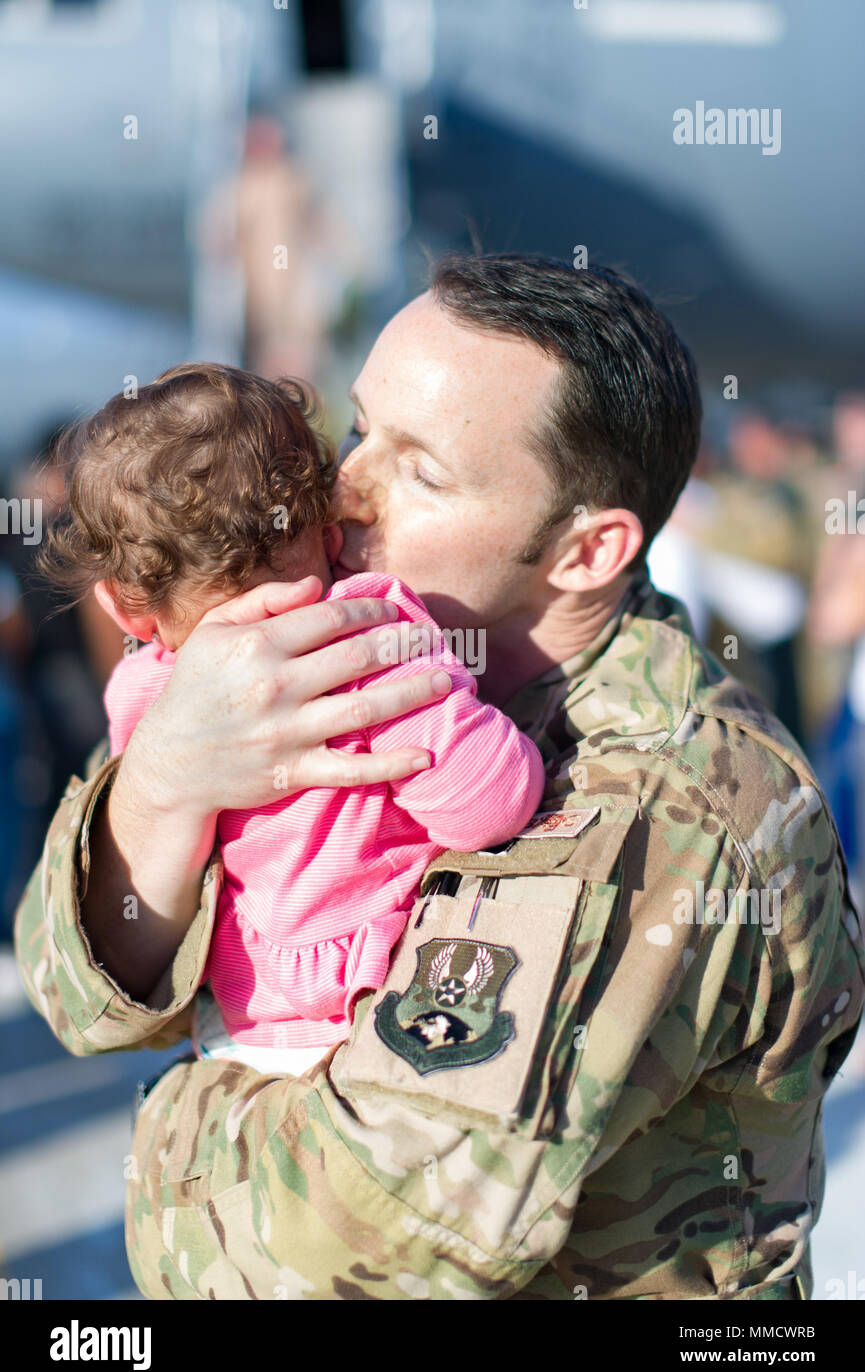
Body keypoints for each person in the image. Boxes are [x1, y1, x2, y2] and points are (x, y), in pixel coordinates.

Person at [15, 254, 865, 1301]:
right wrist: (161, 784)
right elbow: (75, 990)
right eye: (362, 427)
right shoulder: (339, 659)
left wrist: (175, 1115)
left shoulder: (664, 799)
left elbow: (343, 1243)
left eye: (419, 469)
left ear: (587, 549)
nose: (344, 488)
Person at [35, 362, 544, 1074]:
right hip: (371, 1002)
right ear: (328, 530)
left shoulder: (142, 690)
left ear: (121, 606)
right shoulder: (368, 633)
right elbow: (490, 807)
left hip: (231, 1018)